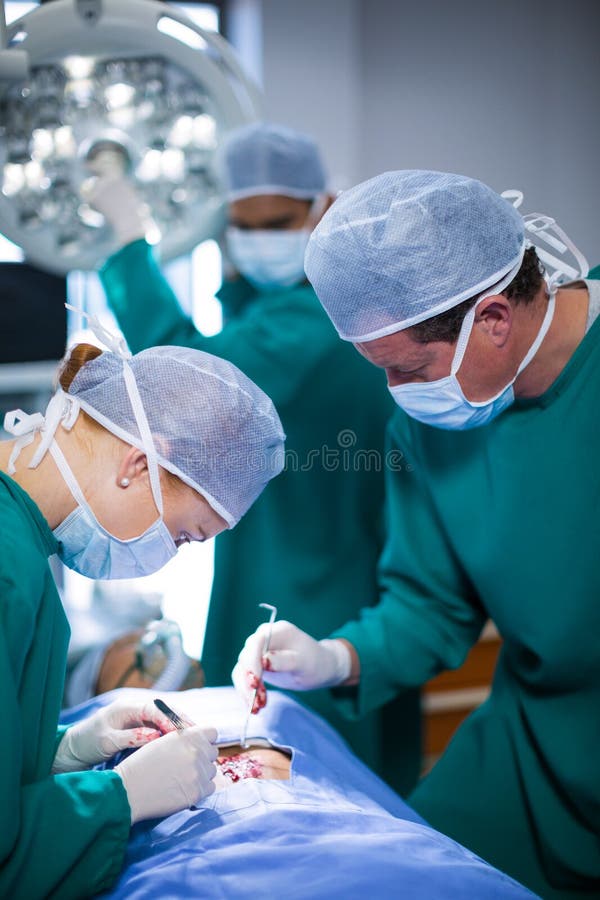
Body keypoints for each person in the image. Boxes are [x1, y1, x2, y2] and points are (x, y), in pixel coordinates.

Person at [233, 171, 600, 900]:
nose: (398, 394)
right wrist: (335, 658)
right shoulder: (434, 425)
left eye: (409, 368)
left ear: (493, 319)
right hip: (532, 745)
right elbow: (430, 604)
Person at [87, 122, 420, 795]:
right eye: (243, 225)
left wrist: (128, 246)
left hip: (320, 597)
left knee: (322, 791)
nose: (259, 238)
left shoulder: (317, 319)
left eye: (277, 223)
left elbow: (185, 376)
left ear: (323, 208)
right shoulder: (277, 310)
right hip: (274, 577)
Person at [0, 320, 285, 898]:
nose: (169, 554)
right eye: (183, 536)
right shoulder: (8, 565)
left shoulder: (21, 542)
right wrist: (120, 798)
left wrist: (60, 750)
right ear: (136, 466)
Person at [60, 687, 537, 900]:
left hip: (392, 857)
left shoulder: (274, 709)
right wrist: (78, 759)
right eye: (128, 655)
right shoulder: (82, 737)